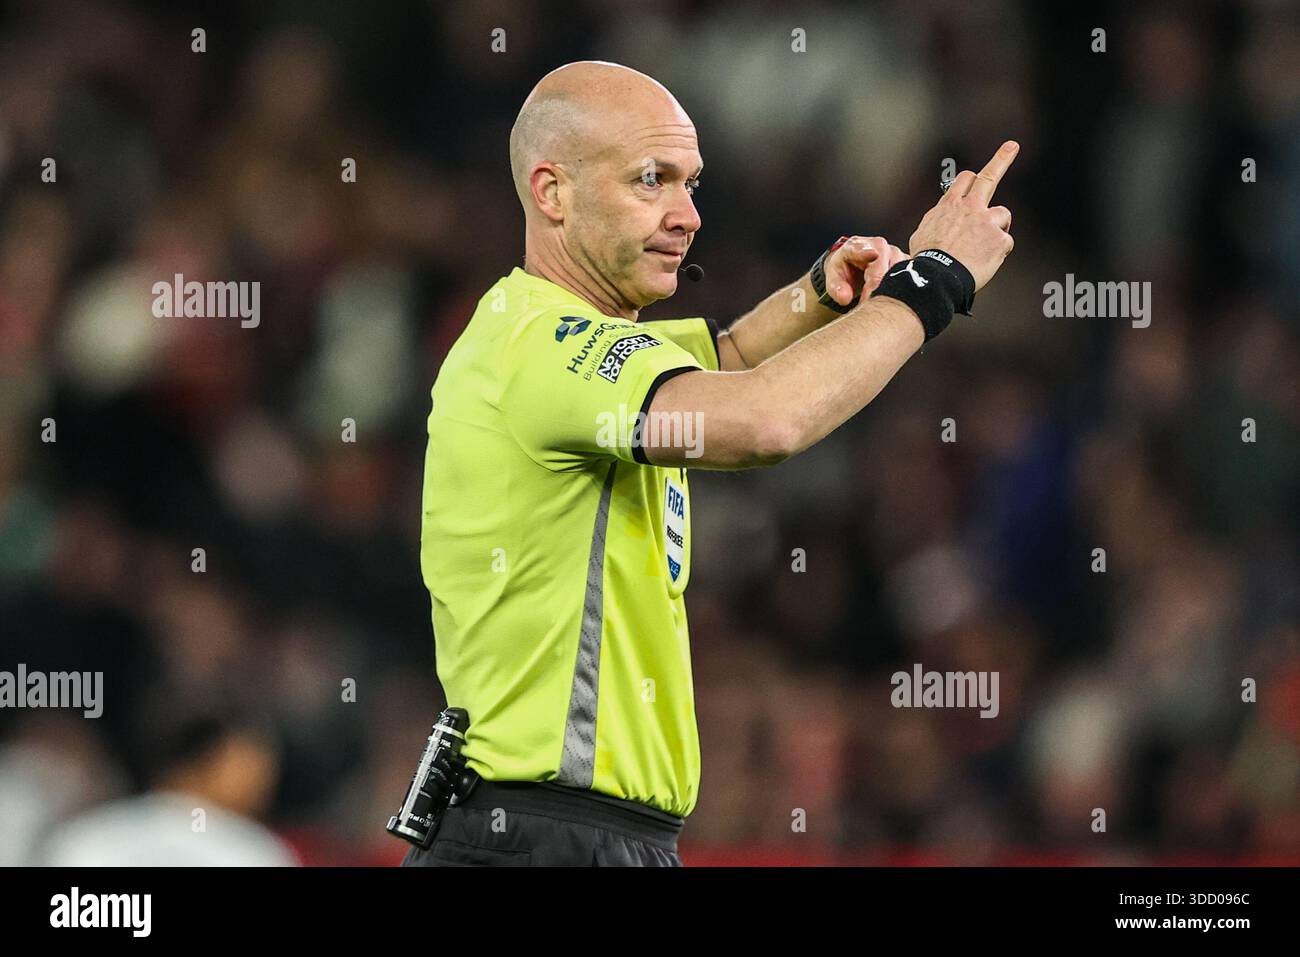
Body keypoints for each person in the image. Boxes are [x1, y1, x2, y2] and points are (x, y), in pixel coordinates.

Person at [405, 60, 1016, 867]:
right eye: (651, 180)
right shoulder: (539, 345)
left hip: (566, 834)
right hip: (542, 839)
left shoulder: (573, 348)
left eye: (693, 184)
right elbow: (764, 418)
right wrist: (934, 284)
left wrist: (815, 297)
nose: (688, 215)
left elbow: (720, 359)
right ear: (552, 192)